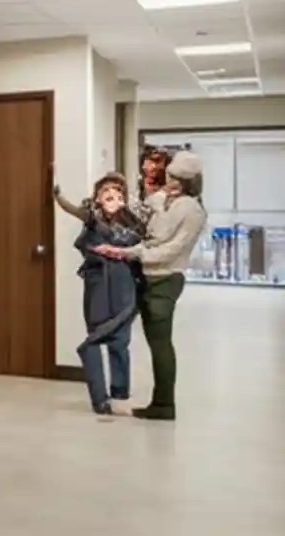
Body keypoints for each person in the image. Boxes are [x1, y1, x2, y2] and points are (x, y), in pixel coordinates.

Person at [93, 150, 207, 421]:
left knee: (160, 343)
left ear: (190, 181)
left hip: (165, 279)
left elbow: (170, 249)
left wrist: (132, 253)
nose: (170, 180)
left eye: (177, 177)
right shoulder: (164, 201)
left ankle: (164, 404)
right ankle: (158, 402)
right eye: (170, 175)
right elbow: (145, 225)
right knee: (151, 340)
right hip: (147, 276)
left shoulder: (192, 211)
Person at [67, 175, 146, 415]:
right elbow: (85, 247)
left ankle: (120, 390)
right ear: (98, 197)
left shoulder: (132, 223)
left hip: (124, 287)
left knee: (120, 341)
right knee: (94, 338)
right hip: (98, 287)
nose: (113, 197)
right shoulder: (91, 223)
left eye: (118, 193)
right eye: (107, 193)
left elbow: (138, 244)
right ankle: (99, 398)